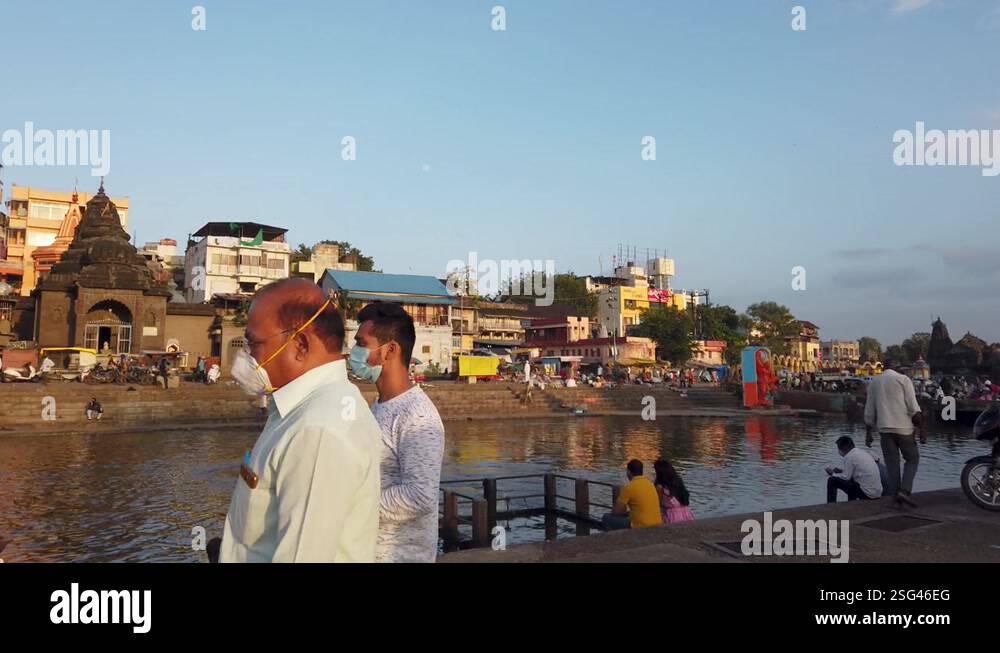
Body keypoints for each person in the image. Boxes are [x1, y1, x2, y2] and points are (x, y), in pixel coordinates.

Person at [219, 279, 382, 563]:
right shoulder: (297, 411)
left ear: (300, 345)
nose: (246, 355)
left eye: (253, 343)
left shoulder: (318, 430)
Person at [352, 302, 445, 563]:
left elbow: (420, 496)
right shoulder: (379, 406)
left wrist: (350, 504)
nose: (354, 352)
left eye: (362, 343)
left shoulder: (417, 415)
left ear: (390, 349)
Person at [865, 360, 924, 506]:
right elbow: (913, 408)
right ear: (896, 368)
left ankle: (896, 495)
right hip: (904, 429)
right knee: (912, 459)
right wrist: (922, 429)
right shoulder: (903, 380)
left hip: (885, 429)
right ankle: (904, 491)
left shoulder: (874, 383)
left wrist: (868, 433)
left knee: (892, 464)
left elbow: (869, 412)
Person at [602, 459, 662, 530]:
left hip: (640, 526)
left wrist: (625, 512)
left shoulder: (629, 487)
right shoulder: (650, 484)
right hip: (657, 523)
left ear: (629, 472)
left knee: (606, 517)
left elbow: (616, 511)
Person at [826, 436, 882, 502]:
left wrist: (833, 474)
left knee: (832, 480)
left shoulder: (849, 456)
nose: (839, 451)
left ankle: (831, 504)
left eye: (839, 448)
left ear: (845, 447)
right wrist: (841, 471)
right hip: (877, 493)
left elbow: (846, 477)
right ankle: (852, 501)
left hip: (867, 493)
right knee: (852, 480)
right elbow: (856, 472)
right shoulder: (861, 452)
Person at [654, 459, 694, 523]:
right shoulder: (678, 481)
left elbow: (659, 504)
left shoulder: (660, 487)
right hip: (686, 513)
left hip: (672, 515)